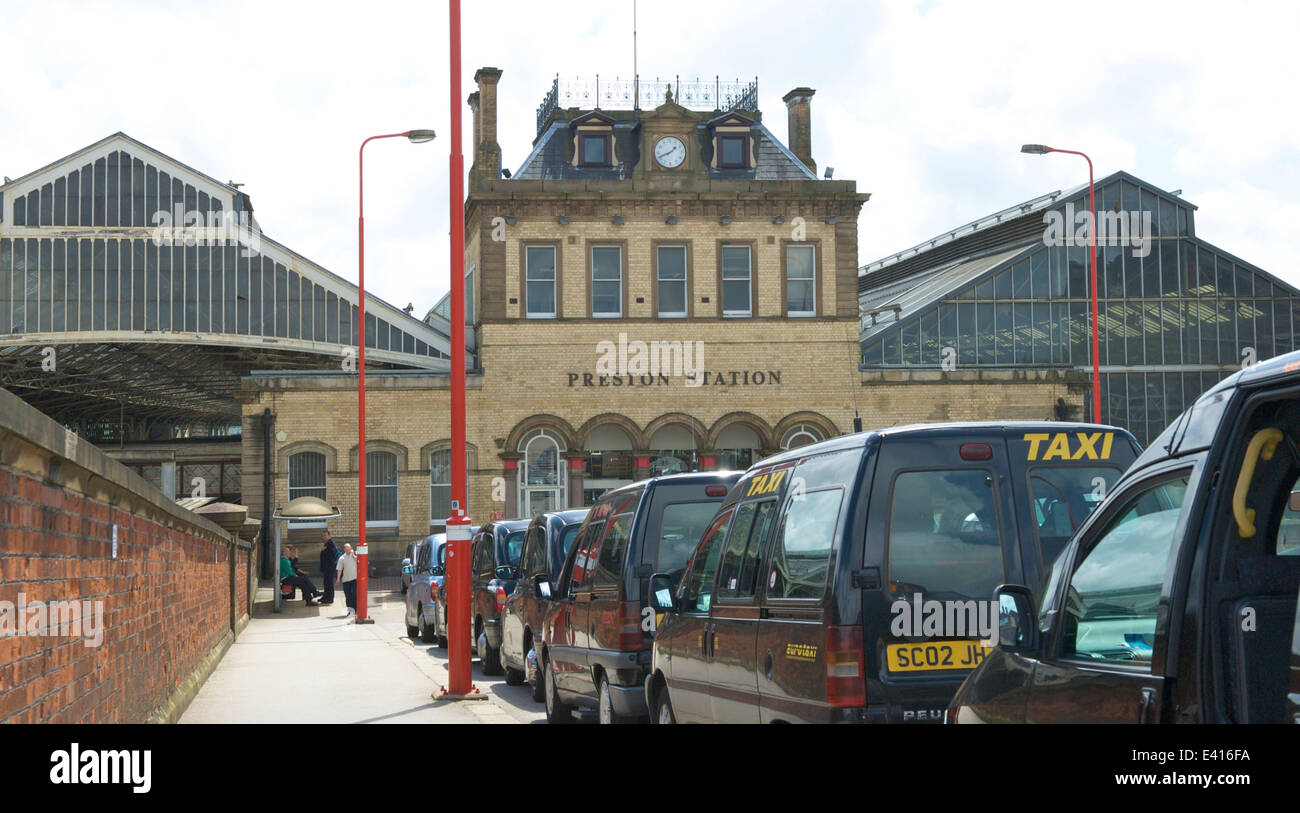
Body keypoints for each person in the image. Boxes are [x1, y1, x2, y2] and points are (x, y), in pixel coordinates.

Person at [336, 542, 358, 617]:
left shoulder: (354, 556)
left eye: (350, 548)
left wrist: (353, 555)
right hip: (346, 580)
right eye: (347, 549)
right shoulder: (342, 558)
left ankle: (356, 610)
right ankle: (350, 611)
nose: (348, 550)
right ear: (344, 549)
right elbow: (339, 569)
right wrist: (338, 578)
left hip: (355, 578)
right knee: (348, 596)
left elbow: (359, 562)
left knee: (355, 594)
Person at [319, 531, 340, 606]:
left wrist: (323, 551)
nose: (324, 537)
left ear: (329, 536)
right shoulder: (327, 543)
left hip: (329, 567)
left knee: (329, 583)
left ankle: (330, 598)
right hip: (326, 567)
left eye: (325, 535)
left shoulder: (331, 543)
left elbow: (332, 555)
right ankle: (325, 596)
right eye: (323, 535)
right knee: (326, 583)